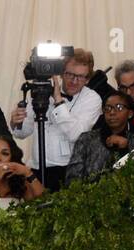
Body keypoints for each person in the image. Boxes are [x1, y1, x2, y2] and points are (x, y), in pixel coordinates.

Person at [10, 50, 103, 190]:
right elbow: (23, 133)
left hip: (68, 170)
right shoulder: (42, 88)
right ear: (61, 72)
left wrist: (58, 101)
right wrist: (16, 122)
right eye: (70, 74)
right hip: (35, 167)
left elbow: (77, 135)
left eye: (81, 77)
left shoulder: (92, 98)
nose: (74, 81)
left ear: (88, 79)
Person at [66, 92, 134, 184]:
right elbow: (72, 179)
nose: (112, 112)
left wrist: (124, 149)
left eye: (119, 107)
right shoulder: (86, 139)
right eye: (107, 108)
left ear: (130, 113)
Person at [0, 135, 44, 209]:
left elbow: (44, 203)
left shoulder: (20, 180)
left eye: (5, 154)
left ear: (12, 158)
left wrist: (28, 173)